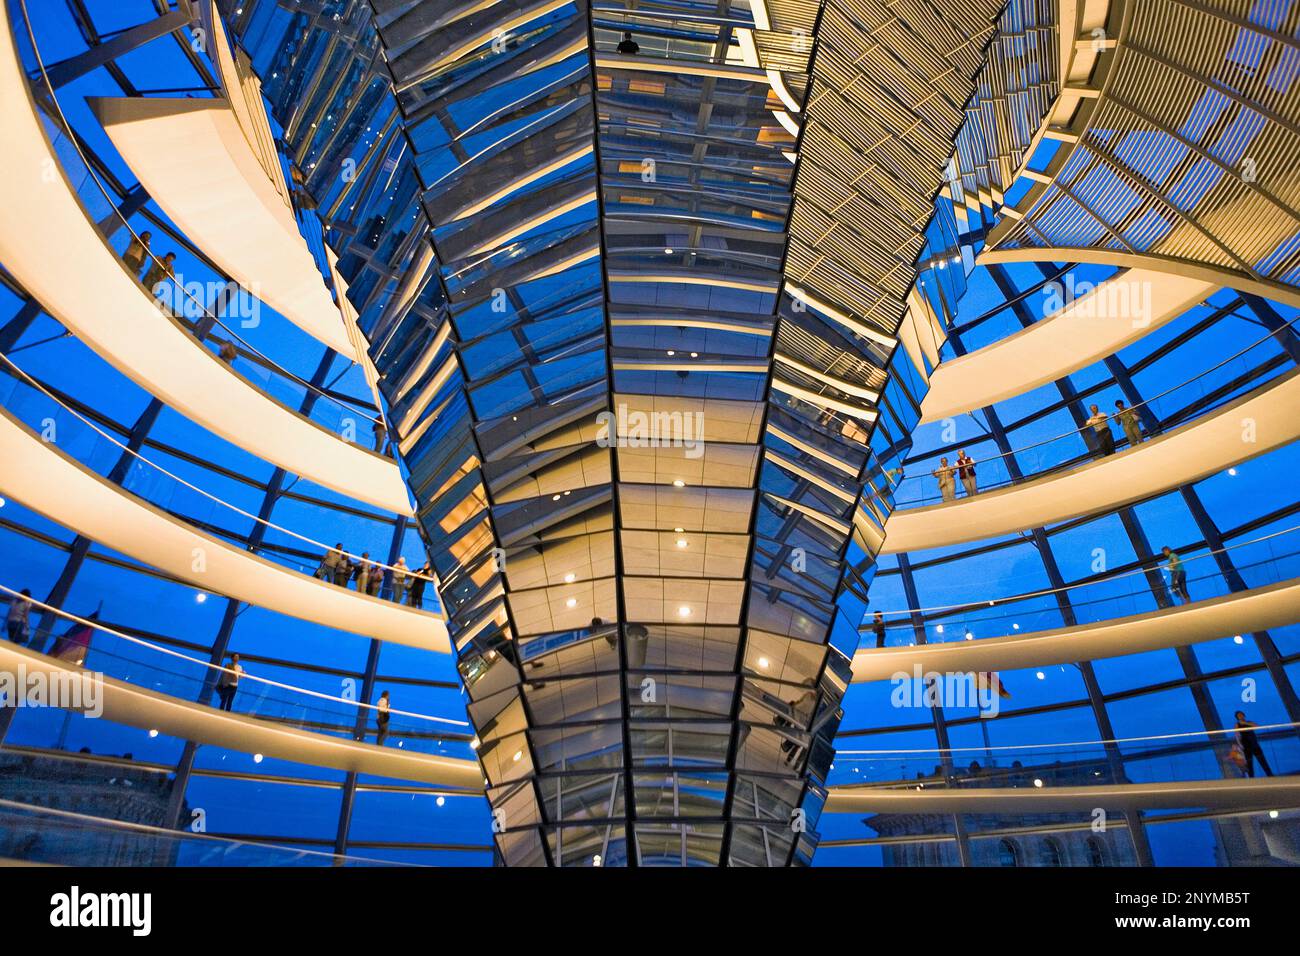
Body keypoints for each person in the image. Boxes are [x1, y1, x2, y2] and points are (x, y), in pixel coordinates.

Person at [1234, 711, 1274, 778]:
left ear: (1244, 715)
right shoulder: (1237, 724)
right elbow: (1237, 735)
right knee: (1249, 763)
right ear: (1237, 717)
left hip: (1254, 744)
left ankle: (1270, 775)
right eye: (1239, 715)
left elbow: (1256, 726)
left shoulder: (1249, 722)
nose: (1240, 716)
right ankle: (1251, 778)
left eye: (1241, 714)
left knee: (1262, 760)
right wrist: (1240, 745)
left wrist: (1244, 723)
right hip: (1246, 745)